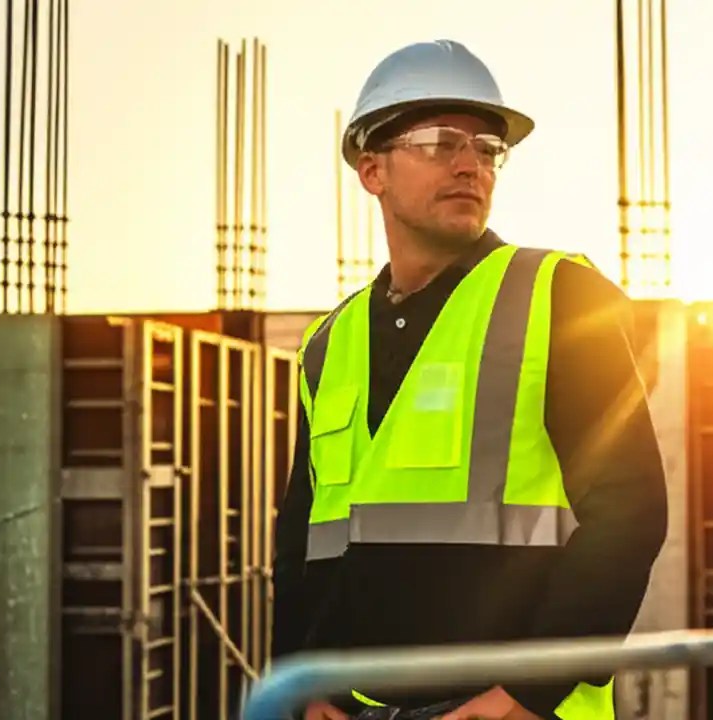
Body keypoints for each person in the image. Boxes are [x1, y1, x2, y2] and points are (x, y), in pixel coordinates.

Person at [269, 39, 669, 720]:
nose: (469, 164)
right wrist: (301, 683)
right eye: (438, 142)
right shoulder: (325, 344)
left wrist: (524, 697)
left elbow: (629, 513)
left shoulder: (561, 298)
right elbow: (301, 541)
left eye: (487, 149)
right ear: (372, 170)